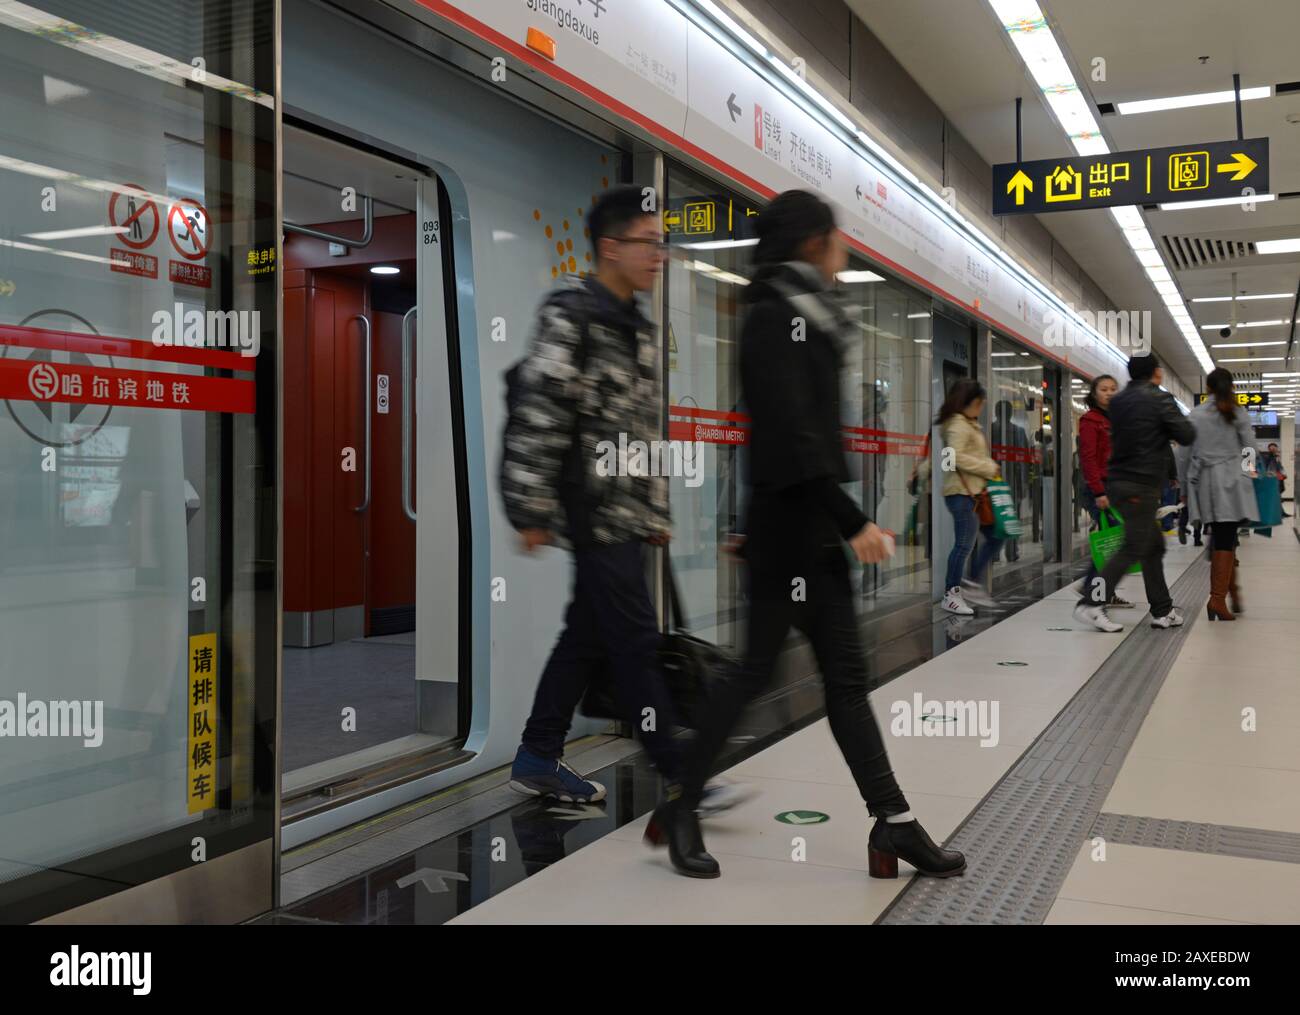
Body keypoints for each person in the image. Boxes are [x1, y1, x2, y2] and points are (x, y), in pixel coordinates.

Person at [642, 190, 964, 881]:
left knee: (838, 679)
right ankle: (685, 804)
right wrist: (854, 522)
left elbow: (787, 429)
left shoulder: (809, 315)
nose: (844, 249)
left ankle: (893, 822)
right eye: (837, 237)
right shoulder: (770, 317)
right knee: (765, 675)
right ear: (814, 242)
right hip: (792, 531)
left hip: (805, 529)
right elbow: (788, 432)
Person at [501, 185, 742, 812]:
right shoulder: (571, 313)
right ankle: (677, 768)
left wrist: (656, 510)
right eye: (648, 242)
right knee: (635, 640)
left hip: (628, 512)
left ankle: (537, 753)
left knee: (586, 635)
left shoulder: (637, 325)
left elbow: (643, 430)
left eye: (662, 243)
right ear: (610, 247)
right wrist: (528, 509)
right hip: (594, 510)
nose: (659, 254)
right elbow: (539, 411)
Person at [1074, 353, 1195, 632]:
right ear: (1156, 373)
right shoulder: (1158, 398)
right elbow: (1186, 434)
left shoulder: (1119, 403)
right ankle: (1091, 603)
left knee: (1153, 547)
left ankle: (1162, 611)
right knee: (1133, 546)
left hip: (1119, 483)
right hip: (1140, 484)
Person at [1180, 369, 1259, 620]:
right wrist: (1248, 476)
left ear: (1208, 388)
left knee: (1222, 535)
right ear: (1231, 386)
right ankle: (1217, 599)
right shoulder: (1237, 411)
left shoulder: (1196, 414)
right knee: (1226, 537)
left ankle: (1232, 592)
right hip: (1232, 482)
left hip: (1204, 482)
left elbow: (1183, 453)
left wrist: (1184, 487)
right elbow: (1249, 447)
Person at [937, 379, 1004, 615]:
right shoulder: (957, 424)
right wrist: (987, 467)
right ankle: (952, 593)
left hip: (973, 493)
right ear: (973, 402)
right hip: (961, 493)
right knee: (963, 545)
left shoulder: (967, 423)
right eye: (981, 402)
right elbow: (951, 457)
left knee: (997, 534)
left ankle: (972, 583)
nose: (982, 406)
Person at [1076, 374, 1132, 607]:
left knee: (1115, 540)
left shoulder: (1116, 419)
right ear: (1094, 393)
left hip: (1114, 486)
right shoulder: (1090, 421)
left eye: (1112, 389)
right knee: (1113, 541)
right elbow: (1088, 458)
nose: (1109, 393)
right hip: (1098, 488)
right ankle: (1092, 588)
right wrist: (1099, 492)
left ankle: (1102, 590)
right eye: (1103, 389)